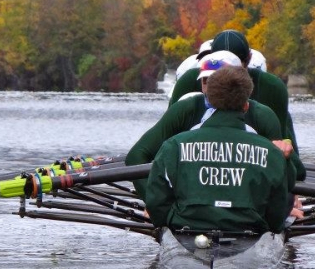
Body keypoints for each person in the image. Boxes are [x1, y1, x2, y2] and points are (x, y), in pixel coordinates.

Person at [127, 50, 297, 201]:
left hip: (245, 202)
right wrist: (152, 202)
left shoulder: (263, 115)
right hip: (192, 201)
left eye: (218, 80)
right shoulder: (186, 108)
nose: (212, 88)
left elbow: (282, 174)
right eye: (206, 80)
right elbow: (136, 156)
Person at [145, 65, 290, 234]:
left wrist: (170, 223)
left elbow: (156, 203)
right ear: (246, 105)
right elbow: (277, 215)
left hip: (185, 229)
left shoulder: (174, 146)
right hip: (250, 230)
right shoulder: (271, 152)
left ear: (209, 100)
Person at [169, 30, 301, 172]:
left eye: (235, 69)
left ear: (248, 60)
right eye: (219, 71)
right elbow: (163, 146)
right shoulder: (188, 83)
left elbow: (284, 154)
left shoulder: (272, 89)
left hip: (253, 165)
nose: (227, 79)